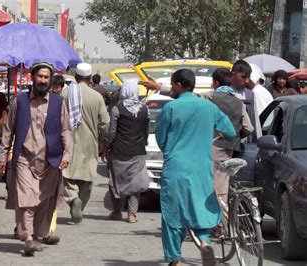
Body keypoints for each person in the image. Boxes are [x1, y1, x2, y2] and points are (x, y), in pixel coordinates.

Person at [155, 69, 235, 266]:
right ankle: (205, 242)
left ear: (179, 85)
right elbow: (231, 131)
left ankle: (175, 260)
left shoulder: (171, 108)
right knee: (199, 209)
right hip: (202, 168)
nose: (172, 88)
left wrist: (170, 151)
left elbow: (161, 137)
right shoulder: (208, 107)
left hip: (177, 168)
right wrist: (216, 136)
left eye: (173, 84)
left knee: (172, 215)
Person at [0, 62, 73, 256]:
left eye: (46, 77)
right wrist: (3, 156)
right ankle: (28, 237)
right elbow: (8, 130)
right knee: (26, 198)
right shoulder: (19, 101)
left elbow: (66, 130)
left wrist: (67, 154)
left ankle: (38, 234)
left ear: (50, 80)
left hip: (50, 161)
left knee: (43, 200)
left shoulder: (58, 103)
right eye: (40, 76)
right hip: (24, 158)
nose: (43, 80)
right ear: (32, 77)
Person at [61, 63, 110, 223]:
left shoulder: (66, 93)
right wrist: (102, 141)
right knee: (87, 178)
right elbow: (105, 123)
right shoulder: (96, 96)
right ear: (90, 79)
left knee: (67, 175)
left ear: (75, 77)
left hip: (68, 141)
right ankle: (79, 204)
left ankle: (73, 199)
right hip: (90, 142)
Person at [103, 79, 150, 223]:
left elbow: (112, 132)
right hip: (138, 151)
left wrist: (106, 147)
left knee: (116, 182)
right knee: (135, 183)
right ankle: (132, 214)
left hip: (119, 151)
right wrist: (143, 143)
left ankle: (117, 212)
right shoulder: (145, 109)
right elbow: (146, 132)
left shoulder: (117, 108)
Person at [209, 68, 253, 204]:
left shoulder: (209, 97)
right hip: (230, 147)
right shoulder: (239, 102)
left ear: (216, 82)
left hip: (213, 144)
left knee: (217, 183)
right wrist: (236, 136)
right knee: (223, 178)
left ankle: (221, 220)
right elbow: (249, 128)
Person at [230, 60, 259, 141]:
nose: (246, 81)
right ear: (233, 74)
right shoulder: (224, 94)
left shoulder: (250, 95)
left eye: (248, 77)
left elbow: (255, 120)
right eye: (243, 77)